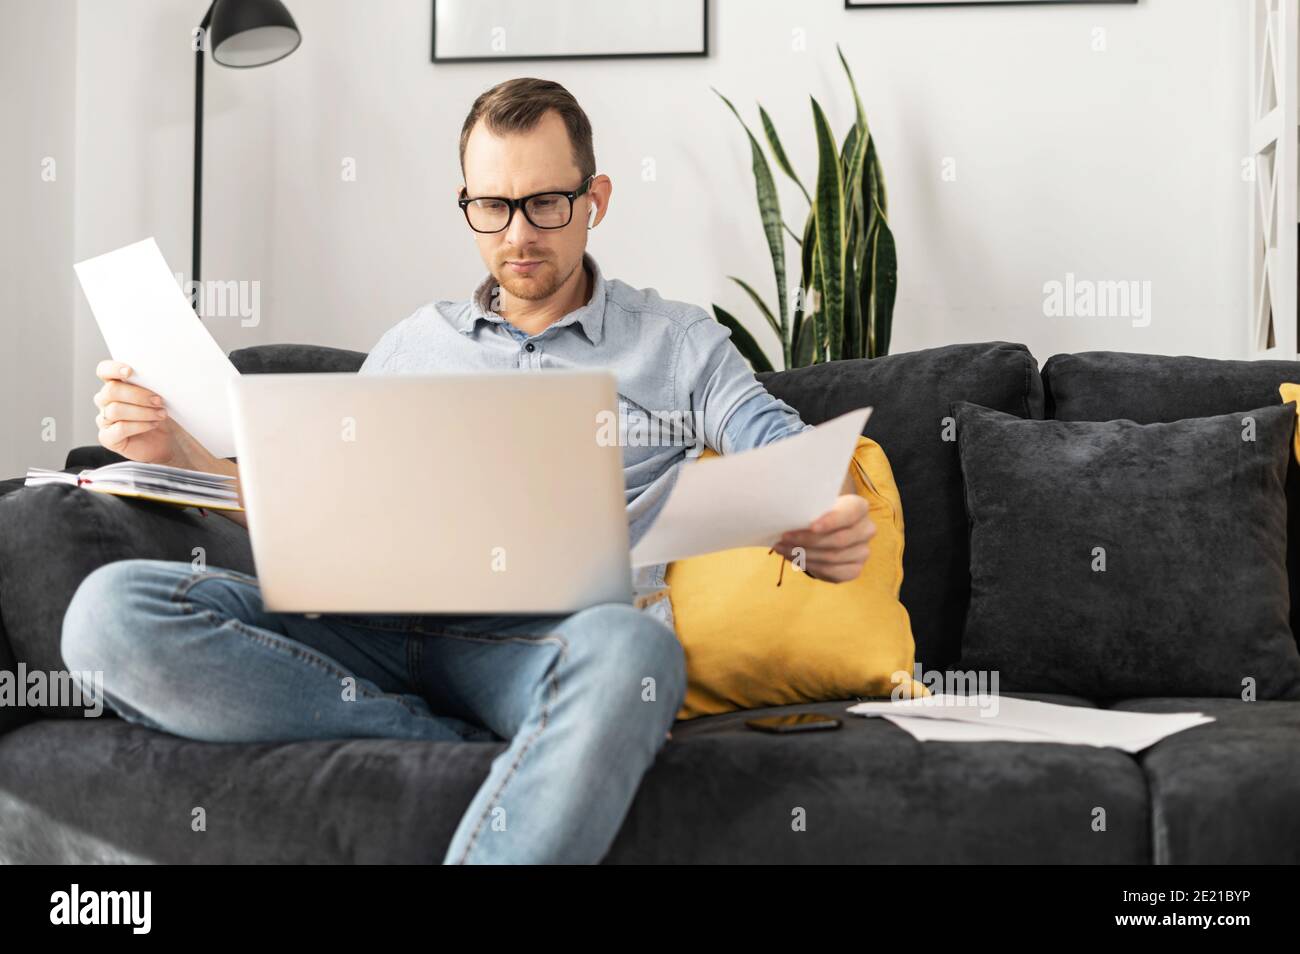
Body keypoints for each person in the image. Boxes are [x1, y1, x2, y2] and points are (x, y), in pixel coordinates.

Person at [61, 78, 876, 864]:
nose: (517, 234)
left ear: (596, 199)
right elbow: (311, 505)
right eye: (491, 206)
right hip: (367, 634)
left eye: (545, 204)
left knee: (635, 658)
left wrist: (822, 522)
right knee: (107, 614)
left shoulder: (677, 342)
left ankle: (518, 740)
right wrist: (177, 454)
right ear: (467, 204)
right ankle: (456, 749)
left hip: (540, 646)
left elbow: (794, 459)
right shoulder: (417, 342)